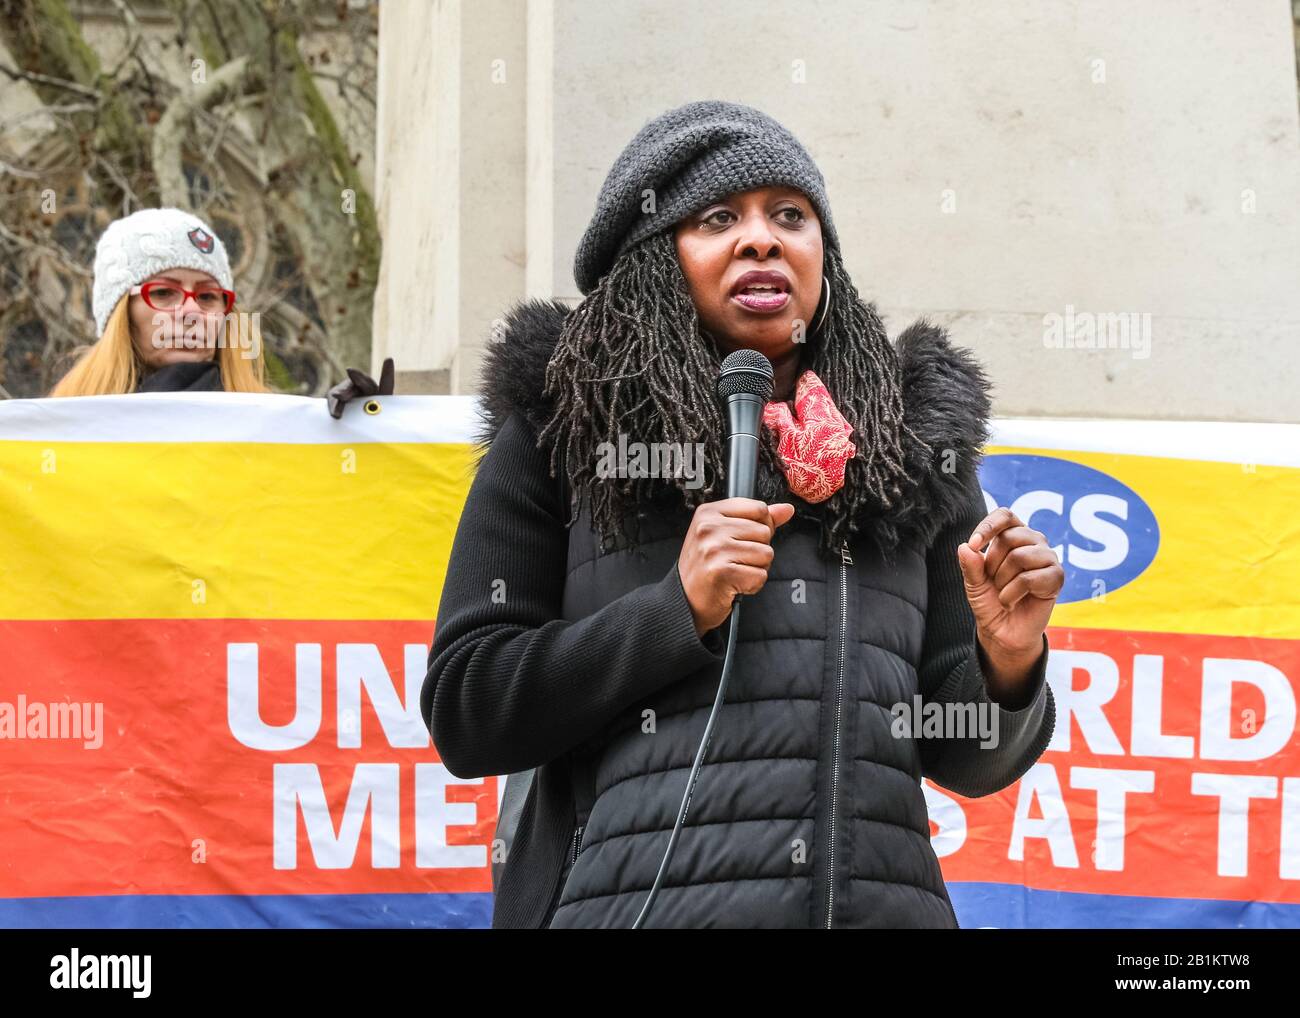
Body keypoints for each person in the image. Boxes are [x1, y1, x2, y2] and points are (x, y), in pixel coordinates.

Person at [422, 100, 1063, 929]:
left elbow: (968, 762)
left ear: (821, 255)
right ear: (654, 259)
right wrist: (672, 611)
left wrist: (1008, 663)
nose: (761, 239)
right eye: (718, 217)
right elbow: (470, 713)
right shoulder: (559, 429)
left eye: (790, 216)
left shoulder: (909, 441)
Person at [50, 207, 268, 396]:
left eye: (207, 296)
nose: (192, 311)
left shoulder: (274, 428)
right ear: (121, 312)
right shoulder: (64, 428)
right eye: (163, 292)